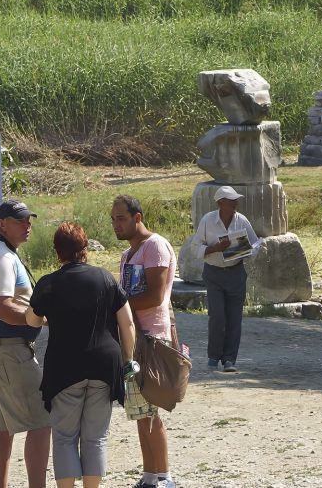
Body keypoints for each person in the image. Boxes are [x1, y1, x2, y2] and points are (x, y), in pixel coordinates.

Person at [25, 222, 136, 488]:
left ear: (57, 252)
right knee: (95, 437)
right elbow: (128, 323)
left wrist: (46, 320)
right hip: (104, 365)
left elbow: (31, 320)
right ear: (84, 248)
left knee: (64, 436)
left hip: (65, 368)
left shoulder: (48, 284)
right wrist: (128, 360)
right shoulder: (106, 278)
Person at [0, 199, 50, 488]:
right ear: (2, 225)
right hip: (9, 350)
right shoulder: (2, 258)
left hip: (1, 349)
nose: (27, 225)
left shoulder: (3, 253)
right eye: (20, 221)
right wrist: (39, 320)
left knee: (4, 426)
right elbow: (3, 307)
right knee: (42, 421)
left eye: (28, 220)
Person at [112, 194, 178, 488]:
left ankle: (164, 476)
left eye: (121, 218)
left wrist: (117, 308)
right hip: (133, 338)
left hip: (152, 338)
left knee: (150, 411)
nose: (116, 224)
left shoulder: (155, 246)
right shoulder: (127, 255)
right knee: (139, 411)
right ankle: (150, 475)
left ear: (137, 217)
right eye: (113, 219)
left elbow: (155, 295)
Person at [189, 185, 259, 372]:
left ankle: (229, 360)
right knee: (217, 316)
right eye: (231, 201)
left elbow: (256, 242)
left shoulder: (241, 220)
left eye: (236, 200)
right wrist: (216, 248)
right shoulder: (208, 220)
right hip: (214, 273)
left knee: (235, 318)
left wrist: (247, 251)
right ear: (220, 203)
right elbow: (195, 247)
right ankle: (213, 357)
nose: (236, 204)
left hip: (236, 273)